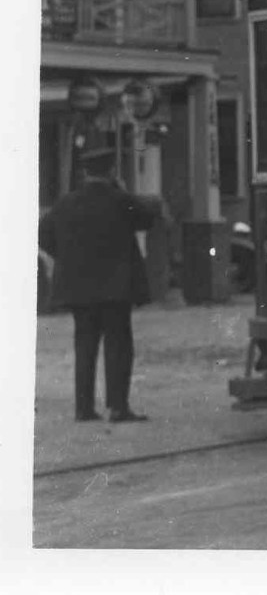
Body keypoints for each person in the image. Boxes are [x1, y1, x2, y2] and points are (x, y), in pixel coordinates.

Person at [37, 147, 163, 423]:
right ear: (112, 172)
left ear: (84, 173)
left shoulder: (66, 203)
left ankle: (83, 409)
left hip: (78, 289)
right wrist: (124, 190)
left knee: (84, 345)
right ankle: (117, 407)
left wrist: (68, 258)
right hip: (115, 288)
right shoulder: (120, 200)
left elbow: (44, 235)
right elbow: (147, 219)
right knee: (118, 344)